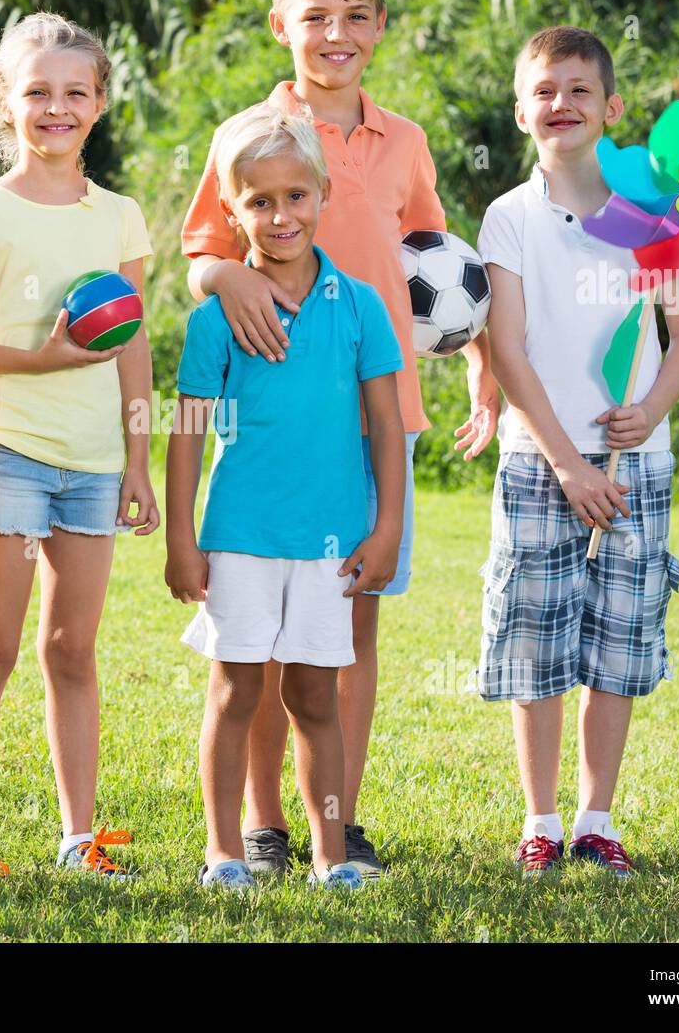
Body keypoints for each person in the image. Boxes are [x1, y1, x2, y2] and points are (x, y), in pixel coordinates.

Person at [178, 0, 499, 878]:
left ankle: (339, 818)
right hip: (282, 420)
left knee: (346, 630)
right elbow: (203, 248)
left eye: (355, 16)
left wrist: (478, 352)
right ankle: (263, 825)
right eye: (316, 16)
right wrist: (219, 280)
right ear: (283, 25)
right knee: (263, 648)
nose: (335, 33)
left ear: (380, 26)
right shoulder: (252, 136)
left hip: (374, 418)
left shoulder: (404, 141)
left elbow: (443, 269)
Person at [0, 13, 159, 883]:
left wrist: (139, 460)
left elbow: (132, 342)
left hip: (96, 460)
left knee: (72, 648)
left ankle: (79, 836)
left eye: (74, 92)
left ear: (99, 102)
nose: (56, 107)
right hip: (7, 449)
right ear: (7, 103)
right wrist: (40, 358)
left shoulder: (121, 216)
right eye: (37, 92)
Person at [478, 26, 679, 875]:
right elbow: (509, 350)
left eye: (578, 89)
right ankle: (539, 818)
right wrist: (569, 465)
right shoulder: (508, 217)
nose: (560, 103)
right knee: (535, 637)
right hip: (543, 460)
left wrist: (647, 409)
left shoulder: (646, 214)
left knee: (619, 635)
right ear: (520, 111)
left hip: (634, 460)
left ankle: (595, 817)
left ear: (610, 108)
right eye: (543, 89)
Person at [167, 107, 404, 890]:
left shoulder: (361, 305)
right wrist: (181, 538)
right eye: (259, 201)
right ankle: (224, 851)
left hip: (333, 541)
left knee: (314, 694)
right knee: (237, 689)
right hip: (239, 535)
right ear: (231, 211)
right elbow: (187, 435)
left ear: (324, 193)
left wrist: (388, 527)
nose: (280, 215)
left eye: (296, 196)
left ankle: (331, 853)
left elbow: (385, 425)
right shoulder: (216, 320)